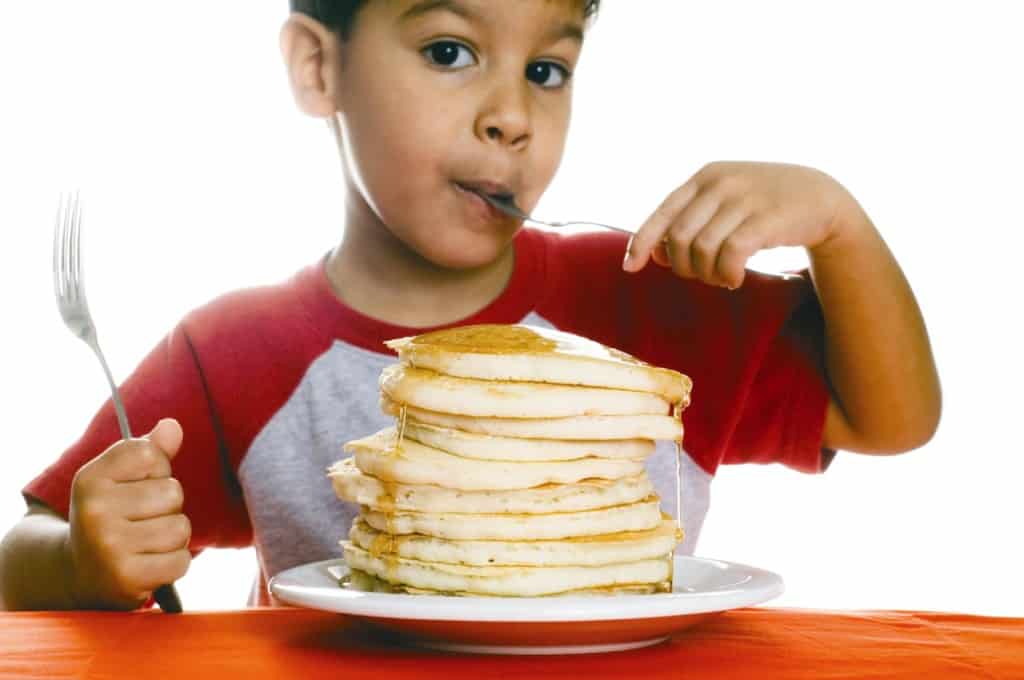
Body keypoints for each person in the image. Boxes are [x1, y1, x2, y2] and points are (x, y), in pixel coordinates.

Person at [0, 0, 940, 610]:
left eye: (547, 70)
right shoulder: (236, 350)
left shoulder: (653, 303)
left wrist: (838, 227)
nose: (513, 116)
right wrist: (87, 556)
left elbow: (889, 419)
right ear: (318, 69)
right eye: (450, 50)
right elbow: (20, 557)